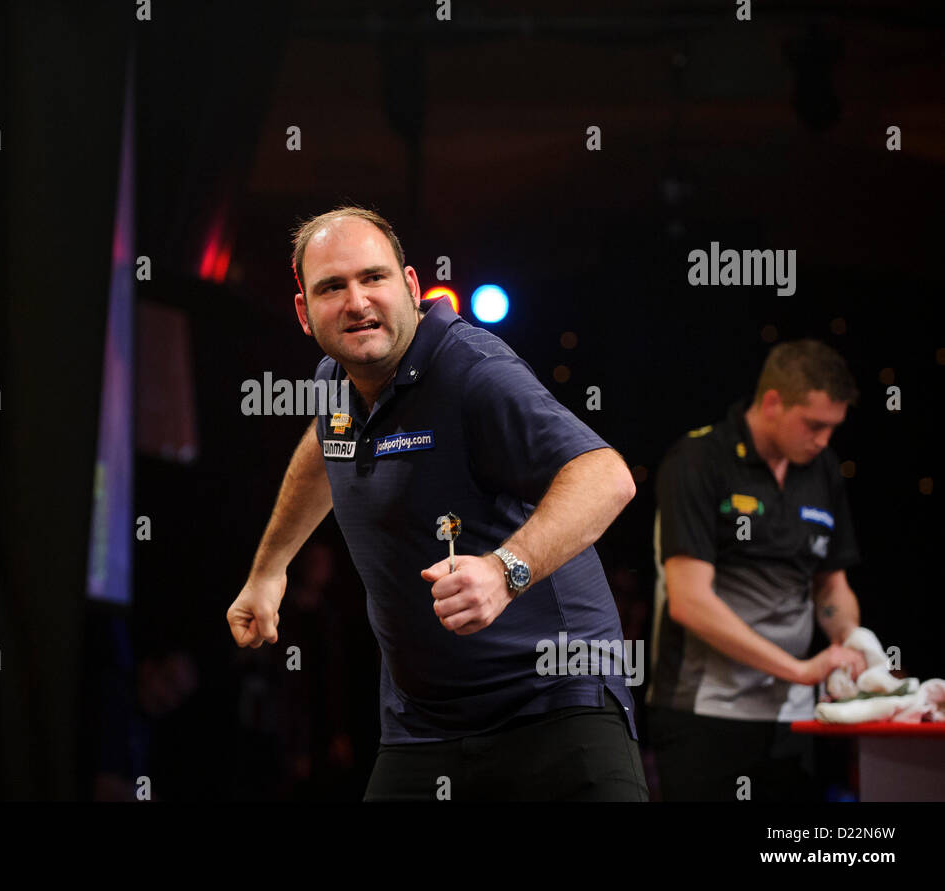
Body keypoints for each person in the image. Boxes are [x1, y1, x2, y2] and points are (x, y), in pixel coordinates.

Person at [226, 206, 647, 801]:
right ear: (303, 312)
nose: (357, 301)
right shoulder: (335, 382)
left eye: (373, 277)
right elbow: (323, 449)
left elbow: (607, 477)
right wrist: (269, 571)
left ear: (411, 286)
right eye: (331, 287)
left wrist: (505, 572)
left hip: (555, 704)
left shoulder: (473, 372)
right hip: (424, 726)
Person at [647, 340, 866, 801]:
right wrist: (800, 669)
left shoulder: (822, 468)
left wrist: (852, 640)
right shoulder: (697, 459)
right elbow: (690, 601)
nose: (824, 440)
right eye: (814, 425)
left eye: (832, 429)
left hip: (794, 718)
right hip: (704, 714)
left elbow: (831, 585)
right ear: (771, 403)